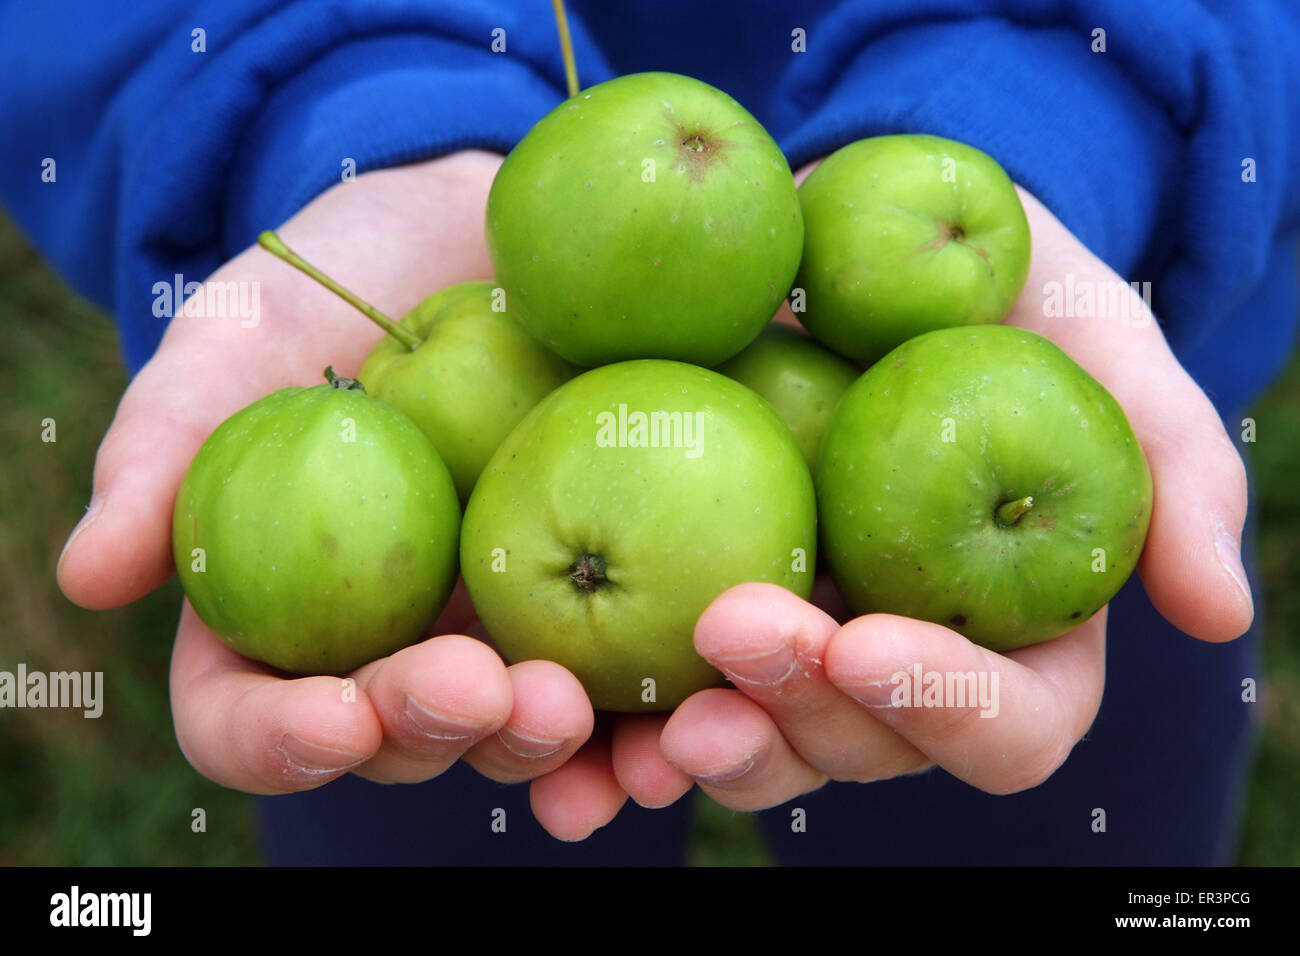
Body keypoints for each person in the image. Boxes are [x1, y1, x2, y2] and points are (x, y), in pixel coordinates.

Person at [2, 0, 1295, 864]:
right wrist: (340, 101)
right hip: (445, 606)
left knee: (1052, 802)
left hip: (972, 521)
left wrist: (1077, 89)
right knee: (424, 766)